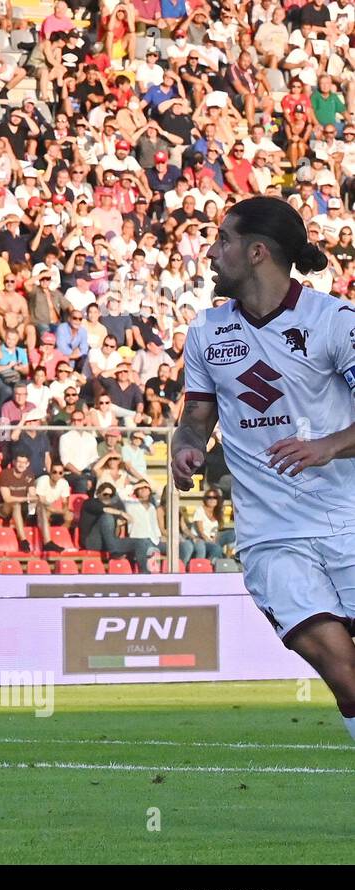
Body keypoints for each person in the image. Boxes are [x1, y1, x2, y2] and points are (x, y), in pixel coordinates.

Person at [173, 195, 355, 743]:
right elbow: (195, 419)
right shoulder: (207, 331)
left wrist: (331, 445)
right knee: (345, 676)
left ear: (256, 253)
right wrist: (186, 446)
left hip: (349, 521)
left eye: (222, 240)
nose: (211, 253)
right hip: (271, 537)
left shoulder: (333, 321)